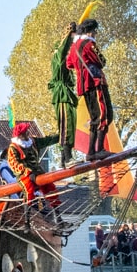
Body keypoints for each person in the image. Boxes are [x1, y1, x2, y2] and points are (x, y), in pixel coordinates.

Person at [66, 18, 114, 157]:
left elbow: (69, 64)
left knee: (94, 117)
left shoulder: (74, 48)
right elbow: (101, 61)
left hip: (83, 86)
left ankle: (91, 151)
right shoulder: (88, 44)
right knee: (104, 115)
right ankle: (98, 149)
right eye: (94, 31)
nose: (95, 34)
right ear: (89, 31)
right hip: (95, 82)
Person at [49, 21, 80, 165]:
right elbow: (64, 47)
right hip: (62, 93)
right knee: (65, 124)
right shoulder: (58, 57)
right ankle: (67, 157)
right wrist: (70, 33)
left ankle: (64, 158)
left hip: (68, 93)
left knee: (71, 125)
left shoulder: (64, 59)